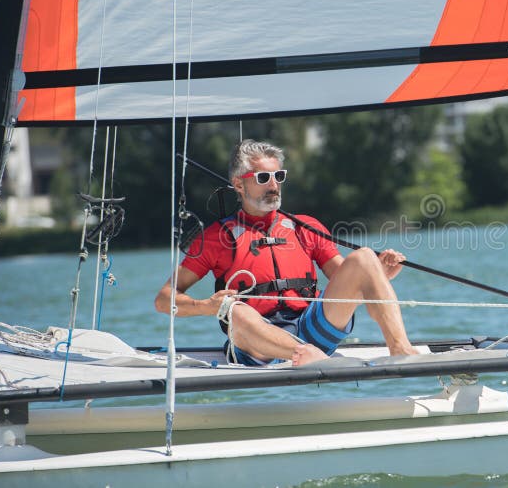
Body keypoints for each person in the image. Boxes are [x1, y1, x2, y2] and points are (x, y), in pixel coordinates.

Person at [155, 139, 419, 366]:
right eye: (263, 178)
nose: (273, 185)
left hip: (313, 330)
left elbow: (349, 282)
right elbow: (164, 299)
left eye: (278, 176)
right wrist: (207, 306)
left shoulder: (305, 226)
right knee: (234, 309)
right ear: (238, 185)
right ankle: (302, 354)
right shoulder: (217, 237)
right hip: (259, 347)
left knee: (364, 257)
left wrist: (378, 275)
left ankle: (400, 348)